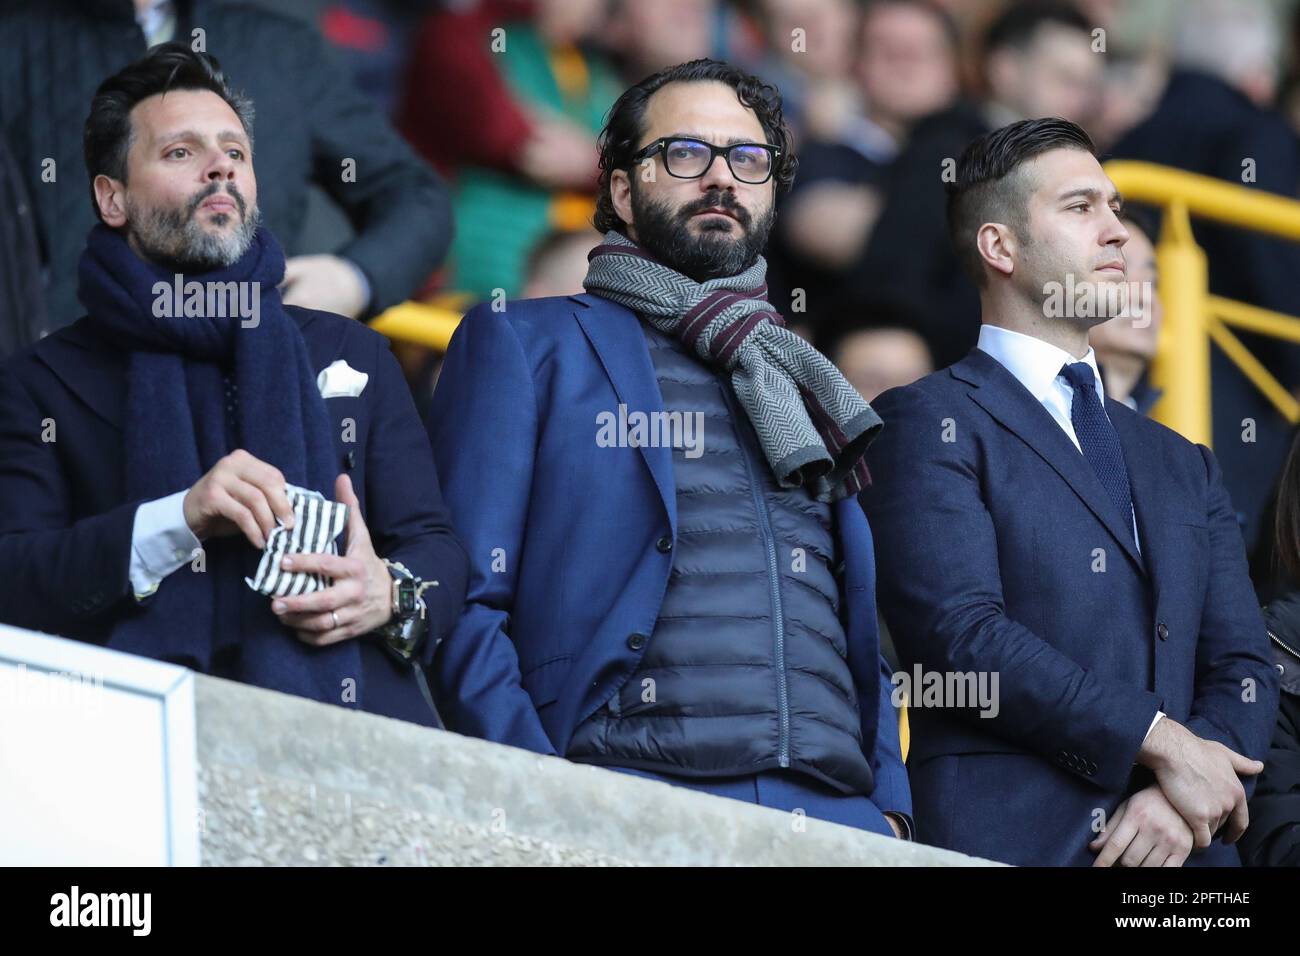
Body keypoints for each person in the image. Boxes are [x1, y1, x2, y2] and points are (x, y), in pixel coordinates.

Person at [428, 58, 911, 837]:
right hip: (624, 792)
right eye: (685, 153)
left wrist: (888, 806)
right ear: (622, 191)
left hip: (834, 811)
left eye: (748, 160)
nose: (721, 179)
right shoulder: (525, 341)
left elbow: (854, 620)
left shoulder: (794, 369)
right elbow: (461, 594)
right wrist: (536, 788)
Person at [0, 45, 467, 727]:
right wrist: (178, 519)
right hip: (129, 747)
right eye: (181, 152)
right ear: (112, 198)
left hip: (358, 743)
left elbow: (437, 547)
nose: (219, 165)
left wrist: (387, 593)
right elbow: (15, 579)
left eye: (234, 153)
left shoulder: (349, 350)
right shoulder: (40, 381)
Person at [860, 118, 1279, 866]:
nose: (1118, 231)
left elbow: (1243, 666)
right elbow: (961, 639)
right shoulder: (926, 419)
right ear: (1000, 247)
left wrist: (1181, 795)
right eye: (1082, 207)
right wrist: (1158, 743)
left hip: (1190, 849)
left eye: (1115, 207)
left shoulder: (1186, 461)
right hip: (1016, 841)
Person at [0, 0, 452, 330]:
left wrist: (354, 279)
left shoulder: (281, 49)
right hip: (64, 400)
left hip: (249, 384)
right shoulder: (16, 41)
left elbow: (414, 195)